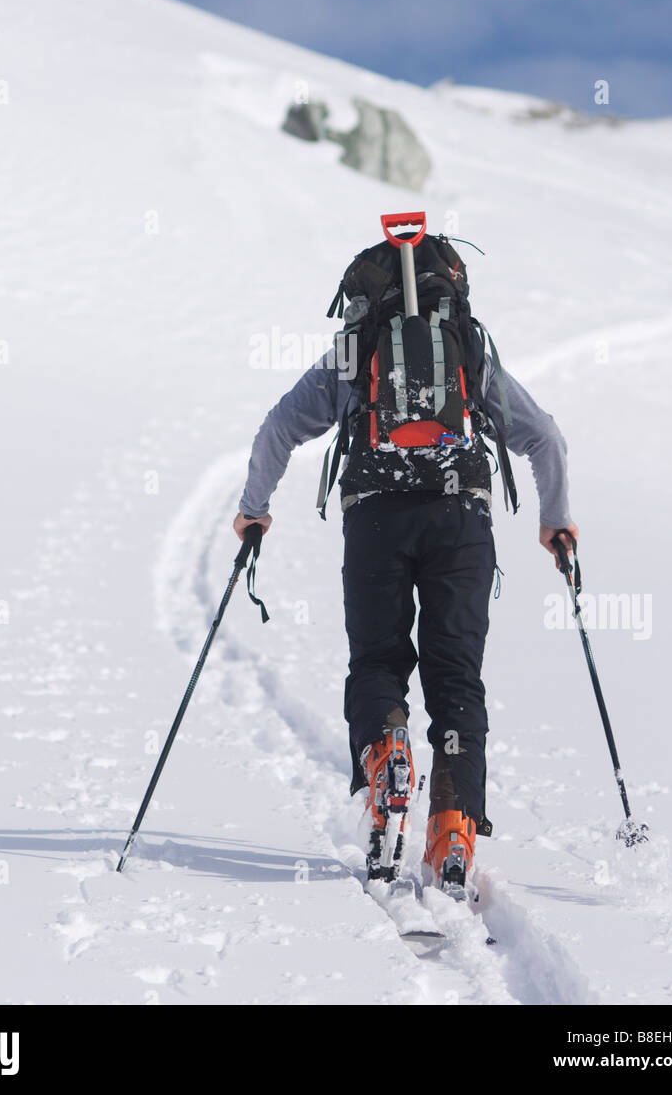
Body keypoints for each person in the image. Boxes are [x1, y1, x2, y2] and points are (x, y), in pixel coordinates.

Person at [234, 225, 577, 895]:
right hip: (461, 515)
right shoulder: (467, 350)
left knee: (378, 660)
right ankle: (451, 822)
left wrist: (255, 509)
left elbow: (278, 427)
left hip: (374, 514)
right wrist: (555, 520)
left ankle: (388, 751)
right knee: (456, 675)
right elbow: (544, 437)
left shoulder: (354, 348)